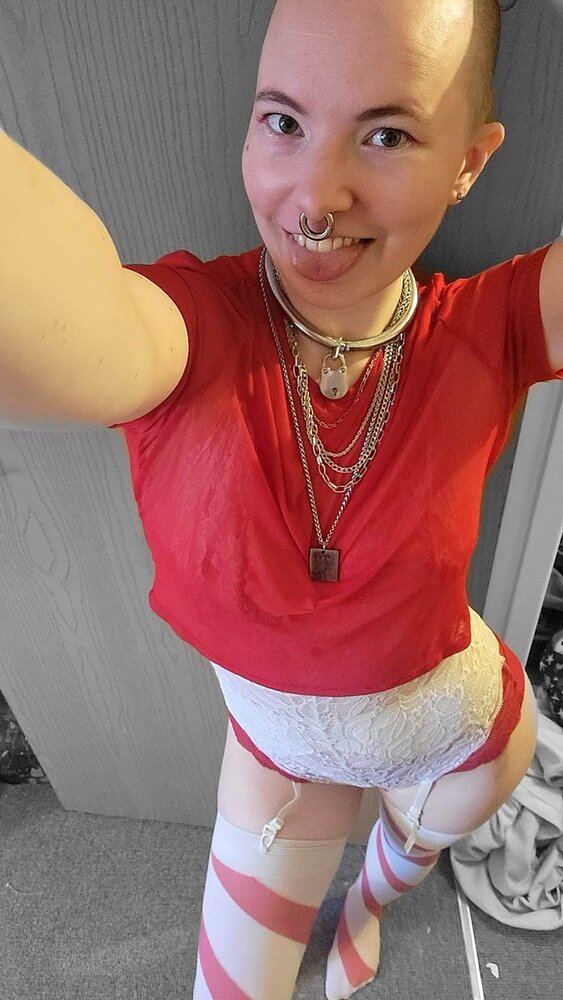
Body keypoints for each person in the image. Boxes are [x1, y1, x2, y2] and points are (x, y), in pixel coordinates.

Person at [0, 0, 562, 998]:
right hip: (281, 759)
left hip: (464, 734)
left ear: (468, 163)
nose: (315, 199)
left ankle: (365, 908)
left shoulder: (497, 326)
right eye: (283, 121)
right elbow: (67, 310)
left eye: (386, 135)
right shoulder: (189, 331)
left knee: (404, 854)